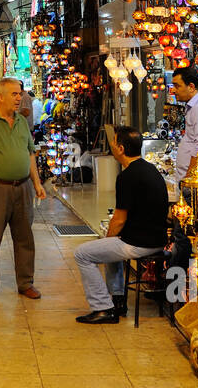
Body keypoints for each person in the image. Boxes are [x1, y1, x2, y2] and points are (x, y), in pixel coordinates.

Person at [72, 126, 169, 323]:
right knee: (109, 244)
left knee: (82, 253)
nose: (112, 146)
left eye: (114, 142)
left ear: (121, 149)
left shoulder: (127, 176)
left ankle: (102, 307)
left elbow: (119, 219)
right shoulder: (150, 169)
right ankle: (117, 299)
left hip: (139, 243)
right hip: (158, 238)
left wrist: (108, 239)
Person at [0, 76, 46, 300]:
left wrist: (37, 182)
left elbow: (30, 153)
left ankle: (25, 283)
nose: (19, 98)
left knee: (24, 238)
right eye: (14, 94)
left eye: (20, 93)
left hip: (22, 188)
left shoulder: (22, 122)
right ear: (0, 97)